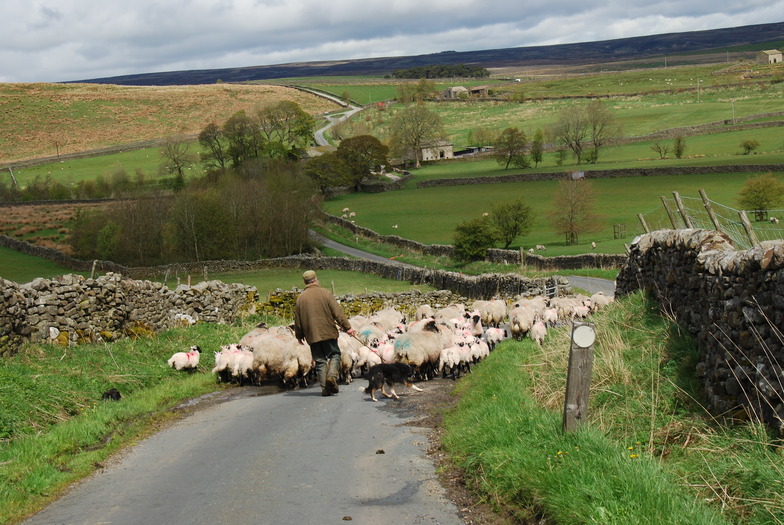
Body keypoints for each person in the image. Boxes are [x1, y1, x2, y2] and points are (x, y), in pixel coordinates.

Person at [293, 270, 356, 396]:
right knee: (335, 354)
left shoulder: (301, 299)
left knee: (320, 360)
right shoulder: (326, 293)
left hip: (312, 335)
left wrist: (299, 336)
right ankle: (331, 377)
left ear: (305, 282)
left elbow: (298, 320)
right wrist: (347, 327)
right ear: (316, 279)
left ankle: (325, 388)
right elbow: (337, 313)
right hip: (328, 332)